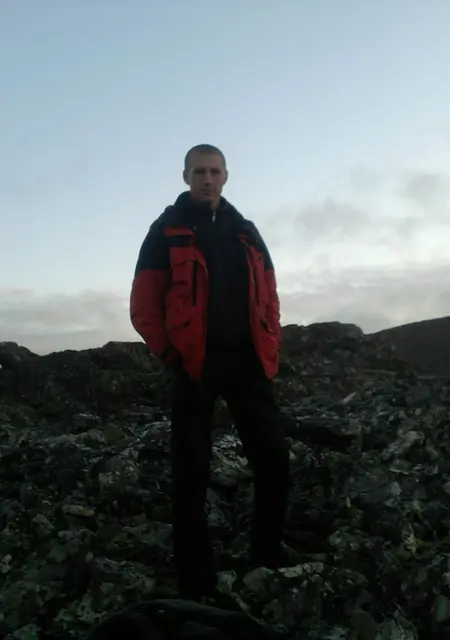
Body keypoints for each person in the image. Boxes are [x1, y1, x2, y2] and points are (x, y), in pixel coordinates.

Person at [130, 144, 290, 598]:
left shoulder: (246, 232)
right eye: (199, 171)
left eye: (214, 171)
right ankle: (195, 574)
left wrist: (270, 343)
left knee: (273, 458)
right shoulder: (165, 231)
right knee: (190, 471)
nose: (207, 178)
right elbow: (143, 303)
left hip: (247, 363)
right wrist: (172, 357)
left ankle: (267, 552)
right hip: (193, 367)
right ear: (185, 177)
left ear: (225, 176)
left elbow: (270, 294)